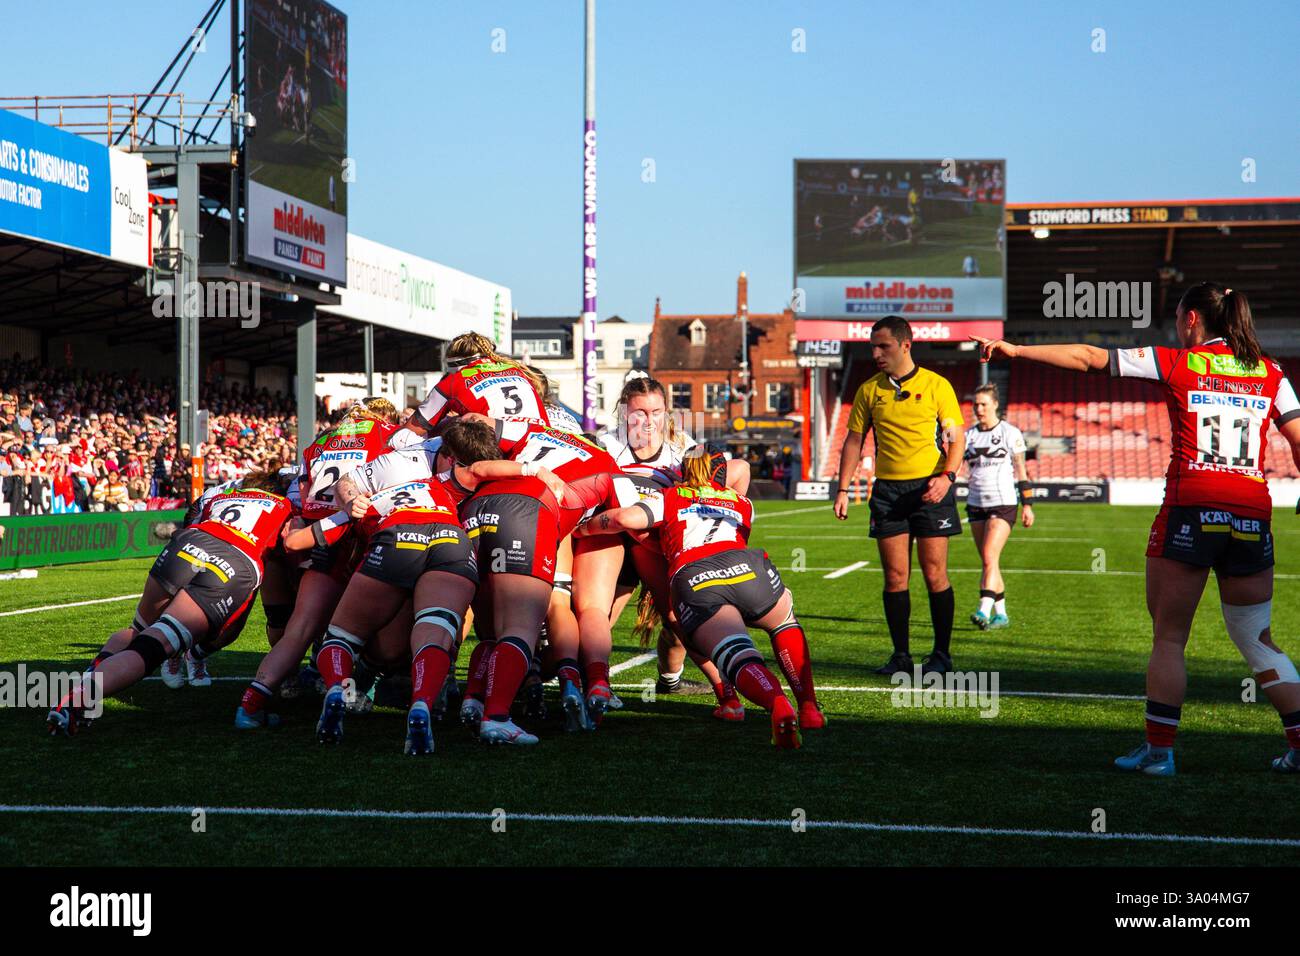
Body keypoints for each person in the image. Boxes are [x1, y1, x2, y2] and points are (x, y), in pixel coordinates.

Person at [974, 282, 1300, 775]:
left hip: (1192, 508)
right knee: (1257, 639)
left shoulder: (1179, 363)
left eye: (1177, 317)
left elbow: (1089, 358)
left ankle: (1160, 752)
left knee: (1169, 638)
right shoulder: (1271, 373)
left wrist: (1016, 349)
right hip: (1252, 516)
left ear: (1192, 319)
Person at [574, 448, 823, 747]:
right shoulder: (742, 502)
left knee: (736, 653)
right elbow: (741, 470)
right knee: (784, 622)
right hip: (750, 567)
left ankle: (777, 703)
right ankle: (809, 708)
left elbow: (626, 517)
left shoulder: (670, 497)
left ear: (683, 472)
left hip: (698, 575)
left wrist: (584, 529)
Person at [47, 470, 294, 736]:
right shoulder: (285, 505)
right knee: (155, 645)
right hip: (234, 561)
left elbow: (194, 519)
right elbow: (291, 543)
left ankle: (81, 689)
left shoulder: (225, 494)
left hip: (190, 543)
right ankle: (78, 700)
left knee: (137, 630)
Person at [834, 315, 966, 676]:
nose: (876, 353)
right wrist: (843, 488)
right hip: (888, 493)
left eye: (884, 346)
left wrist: (947, 477)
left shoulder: (937, 385)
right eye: (872, 347)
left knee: (935, 574)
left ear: (906, 345)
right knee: (895, 577)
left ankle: (941, 655)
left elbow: (956, 436)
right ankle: (901, 656)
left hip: (930, 487)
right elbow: (853, 440)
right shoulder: (868, 390)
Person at [961, 383, 1034, 629]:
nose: (978, 409)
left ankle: (983, 610)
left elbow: (1022, 469)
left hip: (1003, 503)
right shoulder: (968, 436)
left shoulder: (1010, 433)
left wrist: (1028, 505)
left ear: (995, 404)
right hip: (975, 503)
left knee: (989, 556)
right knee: (989, 561)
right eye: (975, 404)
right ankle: (1001, 614)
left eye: (983, 404)